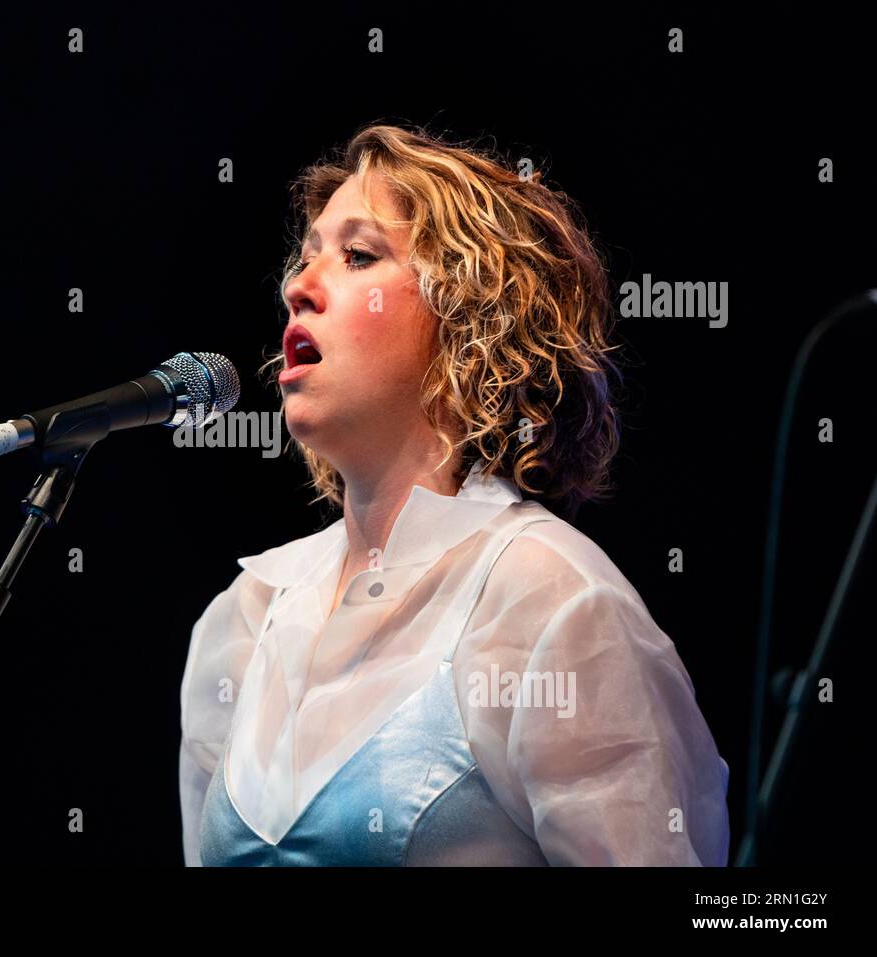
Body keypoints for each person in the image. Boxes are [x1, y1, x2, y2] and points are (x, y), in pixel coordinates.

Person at [177, 123, 730, 866]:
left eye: (358, 255)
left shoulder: (549, 596)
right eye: (304, 259)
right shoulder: (242, 619)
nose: (295, 287)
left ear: (469, 316)